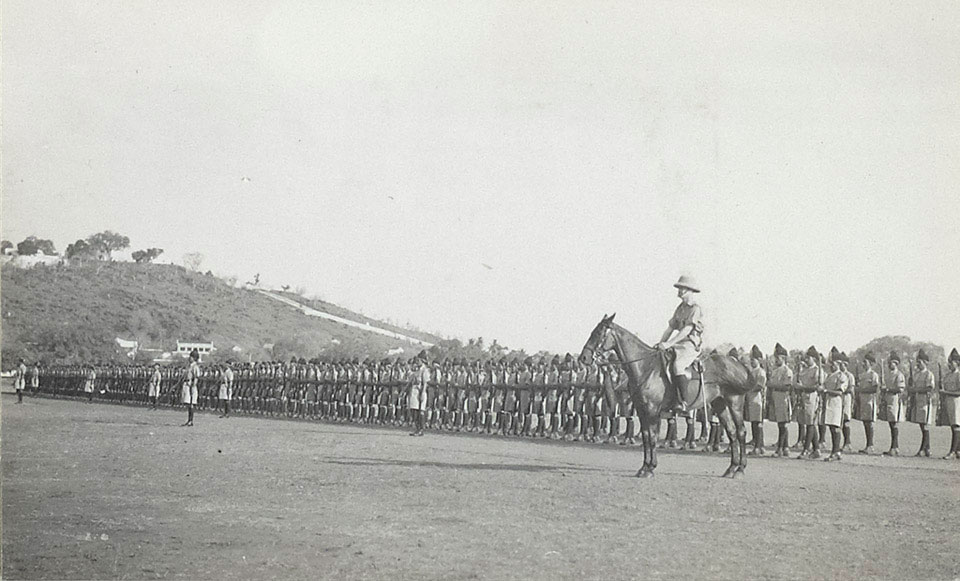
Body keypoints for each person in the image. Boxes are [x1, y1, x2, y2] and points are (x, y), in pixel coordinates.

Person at [656, 276, 704, 413]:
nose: (679, 290)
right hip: (678, 344)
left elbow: (687, 330)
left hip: (690, 344)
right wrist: (661, 344)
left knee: (678, 365)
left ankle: (684, 401)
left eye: (682, 288)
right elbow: (670, 328)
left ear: (689, 291)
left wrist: (669, 343)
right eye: (679, 288)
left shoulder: (695, 308)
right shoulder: (680, 308)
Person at [766, 343, 794, 457]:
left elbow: (787, 387)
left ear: (783, 358)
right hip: (776, 399)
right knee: (780, 424)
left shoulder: (787, 371)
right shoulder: (775, 370)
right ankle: (785, 447)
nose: (776, 360)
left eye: (777, 358)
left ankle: (780, 449)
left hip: (783, 399)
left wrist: (773, 386)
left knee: (783, 424)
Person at [907, 348, 935, 457]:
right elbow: (912, 386)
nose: (918, 364)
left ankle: (923, 448)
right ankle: (927, 448)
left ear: (925, 362)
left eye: (920, 362)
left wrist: (916, 390)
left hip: (925, 402)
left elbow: (929, 388)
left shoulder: (929, 374)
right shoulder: (916, 374)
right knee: (921, 425)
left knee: (925, 425)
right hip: (918, 401)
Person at [796, 346, 823, 459]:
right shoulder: (805, 370)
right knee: (809, 423)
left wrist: (803, 387)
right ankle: (816, 449)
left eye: (809, 358)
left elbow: (817, 386)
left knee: (811, 423)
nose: (806, 359)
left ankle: (806, 449)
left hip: (812, 397)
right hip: (804, 397)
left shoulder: (817, 370)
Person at [821, 351, 848, 461]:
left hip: (836, 404)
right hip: (828, 403)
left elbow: (839, 392)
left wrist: (826, 390)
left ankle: (835, 451)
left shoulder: (842, 376)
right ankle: (835, 451)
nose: (831, 365)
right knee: (832, 428)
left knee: (836, 428)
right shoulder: (829, 376)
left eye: (833, 363)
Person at [880, 351, 906, 456]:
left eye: (891, 363)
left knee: (894, 423)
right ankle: (893, 446)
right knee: (891, 423)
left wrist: (887, 389)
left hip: (895, 400)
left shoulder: (899, 375)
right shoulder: (887, 375)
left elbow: (900, 389)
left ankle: (895, 447)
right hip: (888, 400)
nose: (889, 364)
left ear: (896, 363)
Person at [855, 352, 881, 454]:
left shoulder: (873, 375)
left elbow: (874, 388)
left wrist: (861, 390)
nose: (863, 364)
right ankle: (868, 445)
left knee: (869, 423)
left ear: (870, 363)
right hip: (863, 401)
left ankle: (871, 445)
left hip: (870, 401)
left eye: (865, 362)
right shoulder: (862, 375)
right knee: (865, 423)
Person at [744, 345, 767, 456]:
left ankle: (758, 446)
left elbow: (760, 386)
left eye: (753, 360)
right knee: (754, 423)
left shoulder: (760, 372)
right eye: (751, 360)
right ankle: (759, 445)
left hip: (757, 399)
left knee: (758, 424)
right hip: (751, 399)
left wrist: (748, 389)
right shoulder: (752, 372)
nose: (752, 362)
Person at [939, 348, 960, 459]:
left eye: (951, 362)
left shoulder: (958, 375)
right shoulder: (948, 375)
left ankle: (952, 451)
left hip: (957, 403)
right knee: (953, 426)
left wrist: (945, 392)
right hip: (949, 402)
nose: (949, 365)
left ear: (957, 363)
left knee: (956, 426)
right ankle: (958, 450)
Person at [182, 349, 201, 426]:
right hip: (187, 384)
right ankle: (189, 420)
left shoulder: (195, 367)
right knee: (188, 403)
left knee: (191, 403)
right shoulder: (189, 366)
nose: (189, 358)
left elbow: (196, 377)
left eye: (191, 357)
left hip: (191, 385)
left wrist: (193, 386)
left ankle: (191, 420)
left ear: (194, 358)